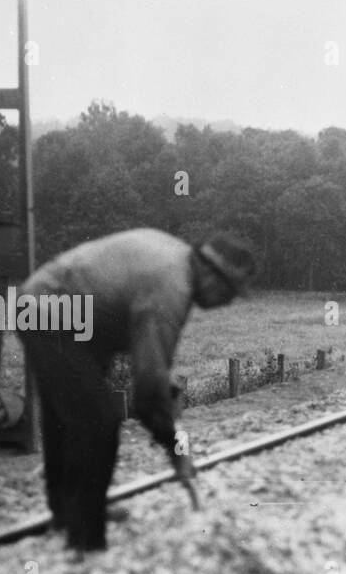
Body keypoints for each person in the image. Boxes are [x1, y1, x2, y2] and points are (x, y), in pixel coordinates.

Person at [16, 228, 256, 552]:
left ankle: (68, 513)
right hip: (51, 314)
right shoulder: (171, 286)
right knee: (97, 422)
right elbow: (147, 392)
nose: (227, 303)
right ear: (213, 277)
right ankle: (87, 544)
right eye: (230, 293)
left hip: (68, 314)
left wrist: (165, 398)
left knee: (70, 418)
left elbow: (154, 366)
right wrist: (175, 449)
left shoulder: (177, 266)